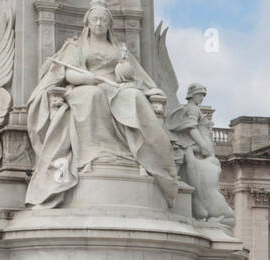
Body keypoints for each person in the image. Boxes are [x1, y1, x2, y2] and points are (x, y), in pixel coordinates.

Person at [24, 0, 178, 208]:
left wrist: (125, 71)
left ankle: (140, 155)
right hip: (85, 87)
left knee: (134, 97)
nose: (99, 23)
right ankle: (92, 154)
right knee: (93, 96)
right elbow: (67, 71)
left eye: (103, 20)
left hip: (115, 87)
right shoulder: (76, 45)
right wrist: (86, 79)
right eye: (95, 19)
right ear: (87, 21)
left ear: (109, 24)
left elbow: (134, 74)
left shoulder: (119, 48)